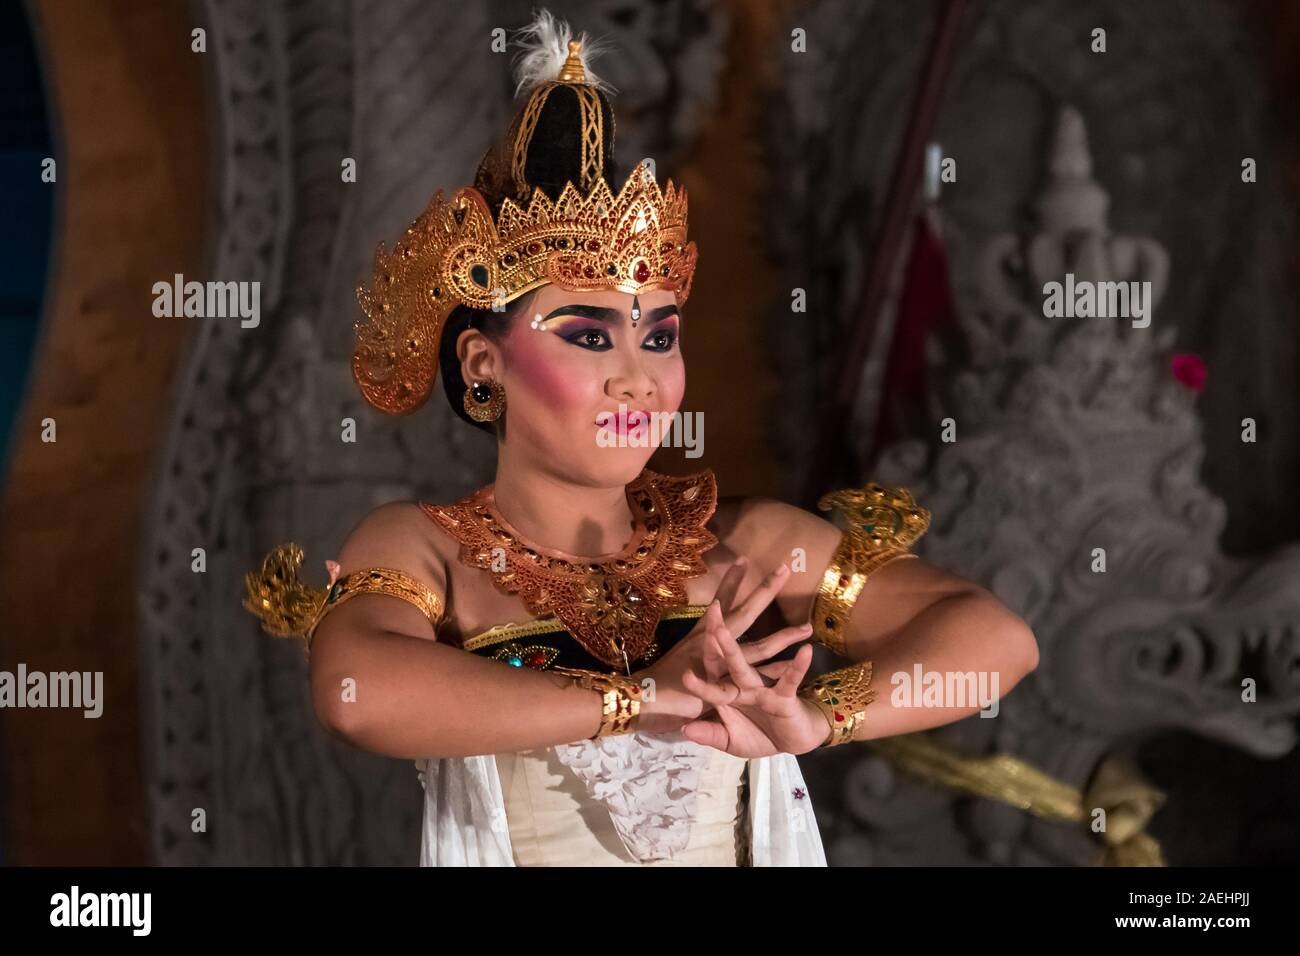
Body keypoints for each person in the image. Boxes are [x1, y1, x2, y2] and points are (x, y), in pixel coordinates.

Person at [243, 9, 1039, 867]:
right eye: (588, 336)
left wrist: (821, 718)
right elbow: (358, 695)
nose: (640, 377)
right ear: (484, 362)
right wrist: (635, 697)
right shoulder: (426, 551)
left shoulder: (745, 545)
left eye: (659, 336)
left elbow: (997, 638)